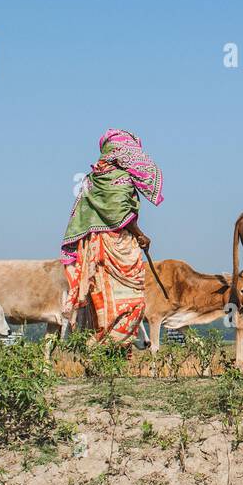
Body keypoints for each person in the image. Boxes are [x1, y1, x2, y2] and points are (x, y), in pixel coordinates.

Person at [61, 129, 163, 344]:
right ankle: (102, 351)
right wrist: (141, 235)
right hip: (114, 247)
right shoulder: (120, 179)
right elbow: (119, 213)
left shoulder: (91, 180)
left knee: (103, 302)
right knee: (133, 302)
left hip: (95, 249)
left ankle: (102, 355)